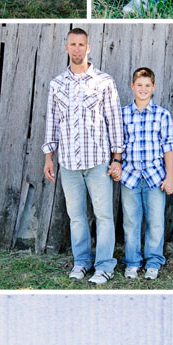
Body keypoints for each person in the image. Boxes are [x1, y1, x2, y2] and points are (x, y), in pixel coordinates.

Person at [43, 28, 124, 285]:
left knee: (103, 216)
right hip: (68, 163)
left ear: (88, 48)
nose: (77, 49)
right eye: (73, 44)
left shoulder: (104, 82)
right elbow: (52, 122)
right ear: (66, 47)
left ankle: (104, 266)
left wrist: (117, 158)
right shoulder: (57, 85)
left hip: (98, 161)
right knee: (76, 216)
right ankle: (81, 262)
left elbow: (114, 121)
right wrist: (48, 157)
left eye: (81, 44)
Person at [119, 68, 173, 280]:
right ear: (132, 86)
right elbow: (118, 144)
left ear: (153, 88)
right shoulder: (123, 114)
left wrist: (169, 176)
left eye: (147, 85)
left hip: (155, 177)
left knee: (155, 221)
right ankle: (133, 262)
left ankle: (153, 261)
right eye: (139, 85)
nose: (143, 89)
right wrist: (117, 167)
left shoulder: (162, 114)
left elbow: (168, 146)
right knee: (131, 222)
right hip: (130, 176)